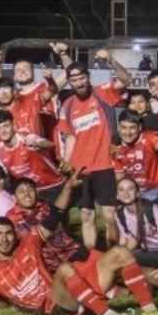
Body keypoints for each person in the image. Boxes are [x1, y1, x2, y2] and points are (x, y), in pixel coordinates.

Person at [0, 170, 158, 315]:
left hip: (74, 267)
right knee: (73, 272)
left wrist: (67, 188)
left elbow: (54, 215)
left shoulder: (31, 237)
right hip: (57, 296)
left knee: (121, 254)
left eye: (8, 233)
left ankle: (151, 313)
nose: (5, 238)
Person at [56, 60, 129, 249]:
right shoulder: (68, 105)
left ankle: (114, 255)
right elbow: (70, 137)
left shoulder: (102, 92)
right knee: (86, 216)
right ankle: (92, 258)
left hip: (105, 165)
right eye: (74, 80)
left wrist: (110, 59)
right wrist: (67, 163)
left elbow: (125, 79)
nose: (79, 83)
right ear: (70, 82)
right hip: (81, 170)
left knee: (109, 215)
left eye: (82, 78)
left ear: (88, 77)